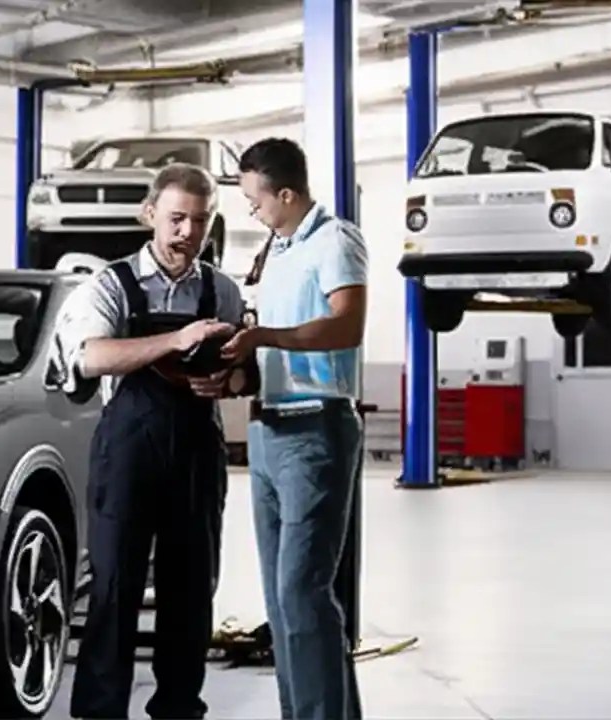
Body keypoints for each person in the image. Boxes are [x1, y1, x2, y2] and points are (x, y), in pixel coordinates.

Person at [52, 162, 252, 720]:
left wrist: (229, 379)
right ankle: (100, 711)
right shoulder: (111, 284)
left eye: (200, 220)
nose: (188, 232)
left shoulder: (223, 290)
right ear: (150, 216)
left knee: (191, 592)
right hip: (128, 452)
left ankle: (180, 708)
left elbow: (242, 370)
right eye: (177, 218)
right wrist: (178, 339)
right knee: (115, 587)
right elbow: (91, 356)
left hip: (196, 451)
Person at [220, 137, 369, 720]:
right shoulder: (276, 250)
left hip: (315, 430)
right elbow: (275, 344)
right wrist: (235, 373)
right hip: (268, 428)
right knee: (281, 604)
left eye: (256, 201)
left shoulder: (335, 240)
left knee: (302, 592)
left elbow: (346, 326)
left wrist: (264, 338)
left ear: (286, 193)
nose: (251, 211)